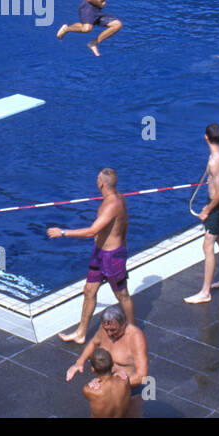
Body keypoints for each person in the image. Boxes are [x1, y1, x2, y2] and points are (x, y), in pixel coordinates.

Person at [48, 170, 134, 343]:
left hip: (112, 257)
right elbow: (122, 225)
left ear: (101, 183)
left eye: (97, 178)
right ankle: (81, 333)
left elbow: (91, 231)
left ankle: (133, 332)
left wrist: (63, 232)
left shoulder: (113, 203)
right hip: (99, 253)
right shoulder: (114, 198)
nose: (96, 180)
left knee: (122, 295)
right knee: (89, 290)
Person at [64, 306, 148, 417]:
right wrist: (80, 362)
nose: (109, 334)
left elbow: (142, 376)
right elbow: (94, 342)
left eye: (113, 330)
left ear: (124, 324)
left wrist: (115, 384)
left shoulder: (135, 337)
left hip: (131, 388)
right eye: (106, 329)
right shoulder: (104, 328)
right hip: (109, 384)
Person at [185, 123, 219, 304]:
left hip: (217, 204)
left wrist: (207, 210)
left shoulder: (214, 160)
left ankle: (205, 292)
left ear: (206, 136)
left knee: (208, 245)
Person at [82, 348, 130, 418]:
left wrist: (90, 383)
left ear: (93, 369)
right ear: (112, 364)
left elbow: (87, 388)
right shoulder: (125, 380)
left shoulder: (90, 390)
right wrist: (117, 372)